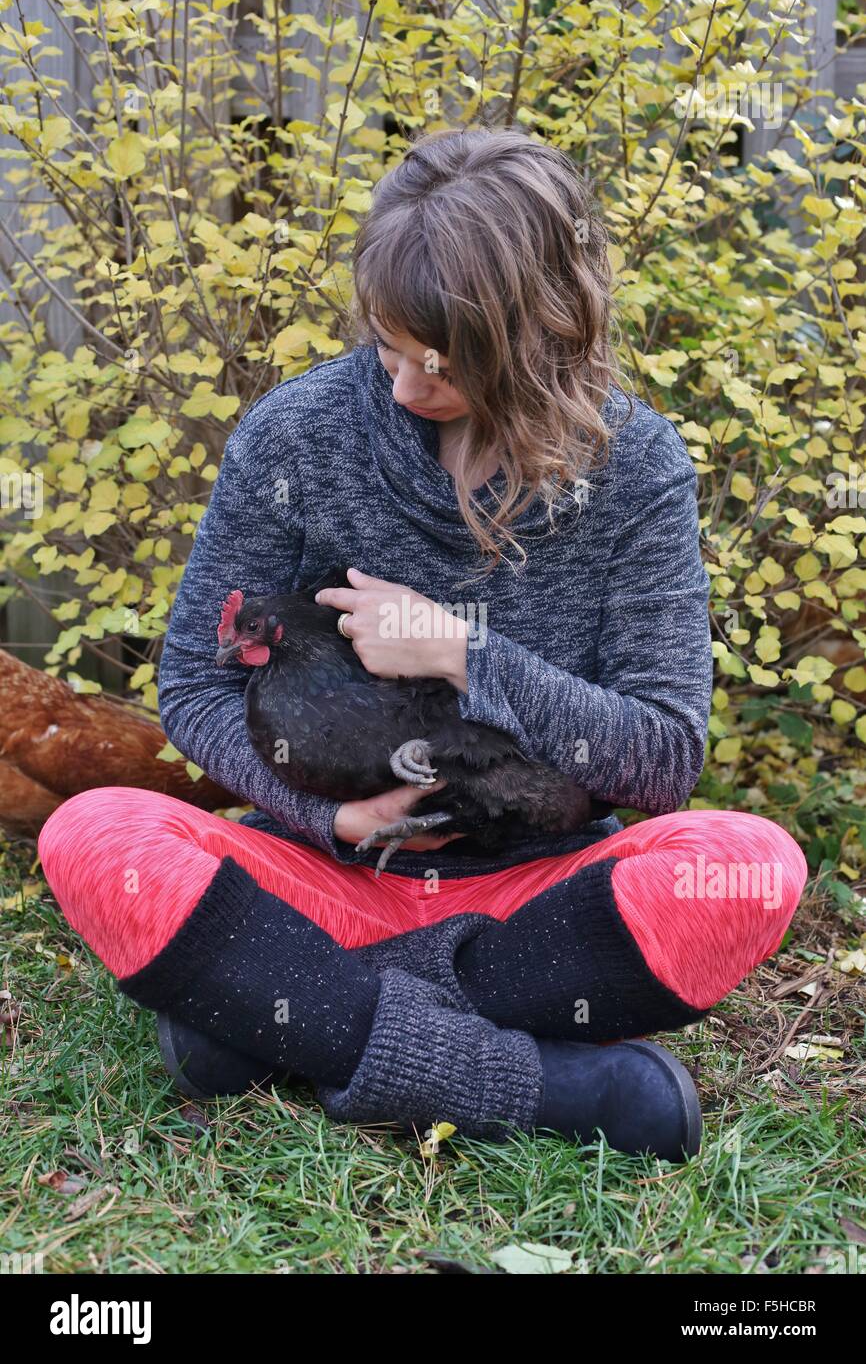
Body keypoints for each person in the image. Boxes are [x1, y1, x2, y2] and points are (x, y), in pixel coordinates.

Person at [37, 126, 807, 1163]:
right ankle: (542, 1086)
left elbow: (663, 754)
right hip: (323, 880)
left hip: (532, 897)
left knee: (748, 867)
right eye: (387, 346)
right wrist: (335, 814)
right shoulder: (296, 436)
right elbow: (193, 684)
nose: (401, 385)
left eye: (437, 362)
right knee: (95, 836)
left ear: (540, 333)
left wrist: (460, 653)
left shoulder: (634, 468)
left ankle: (286, 1022)